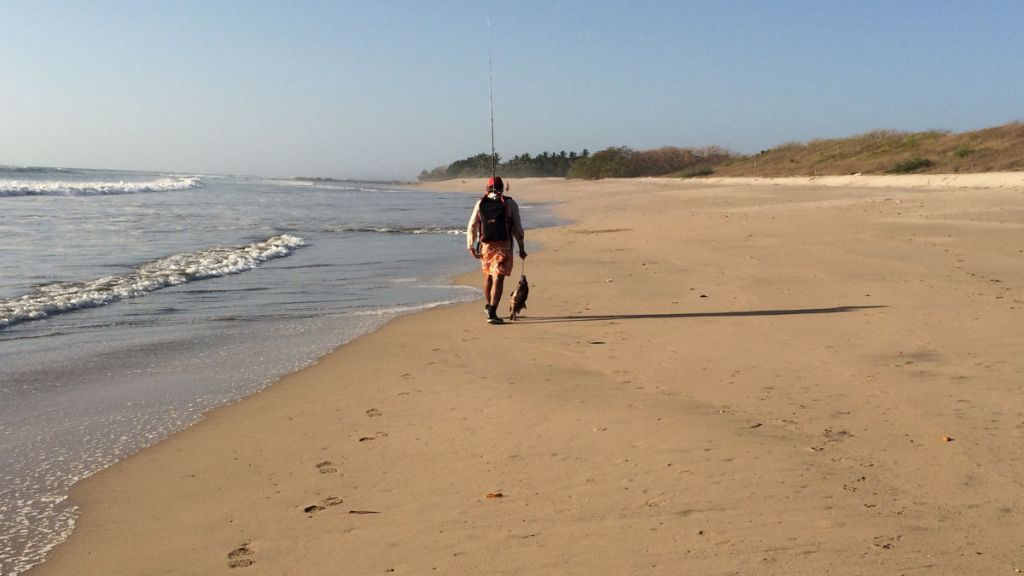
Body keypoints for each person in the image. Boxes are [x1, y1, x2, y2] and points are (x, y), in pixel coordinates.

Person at [467, 176, 526, 324]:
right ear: (502, 188)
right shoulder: (510, 203)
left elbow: (472, 225)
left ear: (487, 188)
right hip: (504, 245)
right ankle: (492, 311)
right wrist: (521, 248)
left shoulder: (481, 203)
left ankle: (489, 307)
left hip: (486, 245)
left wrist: (470, 245)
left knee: (488, 276)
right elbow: (518, 228)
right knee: (498, 277)